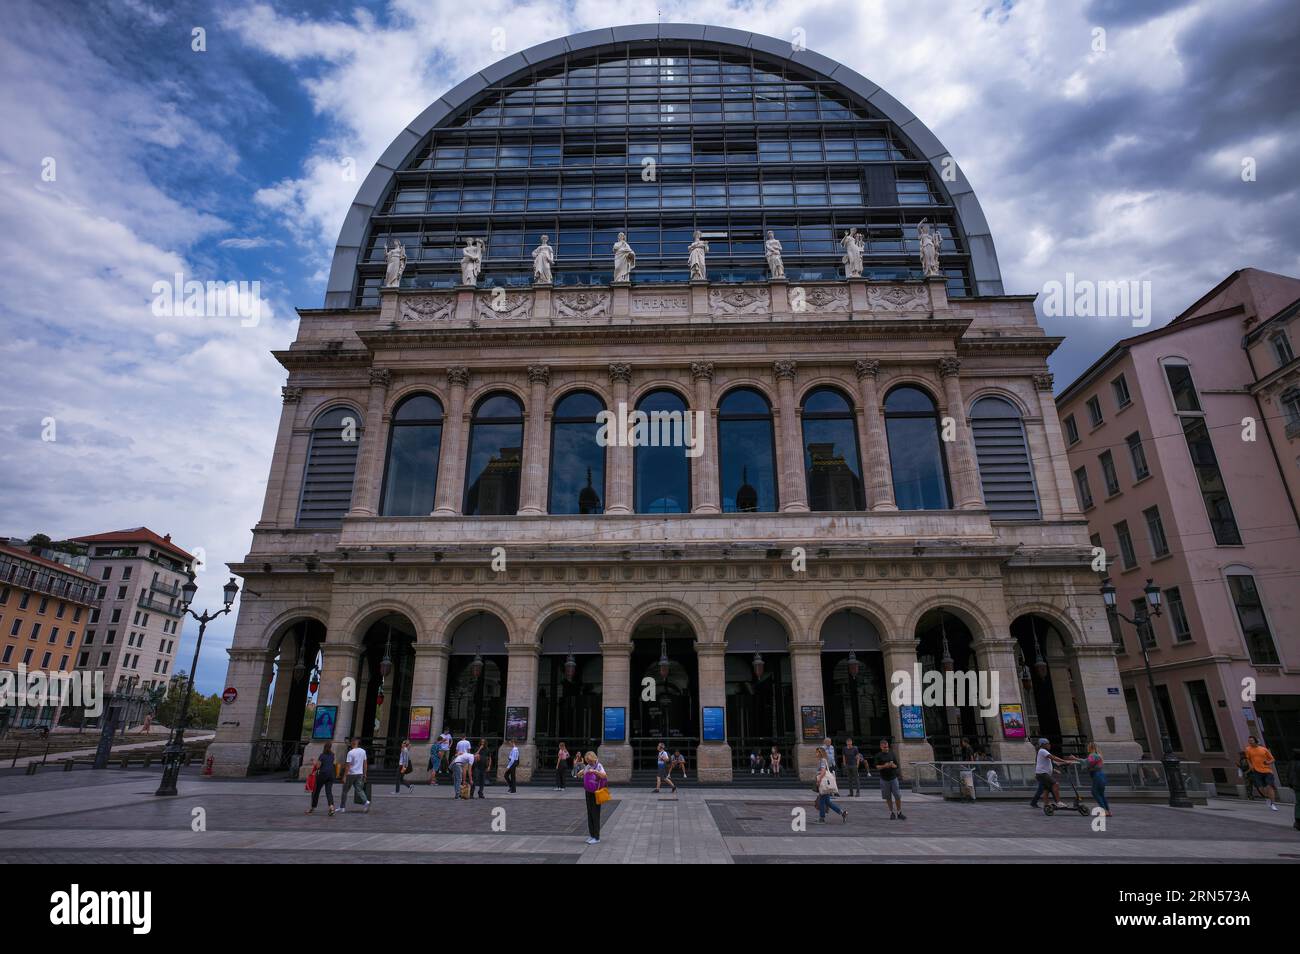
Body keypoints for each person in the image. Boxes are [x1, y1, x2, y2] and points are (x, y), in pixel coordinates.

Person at [1031, 738, 1076, 809]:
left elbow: (1055, 763)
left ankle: (1046, 805)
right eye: (1048, 744)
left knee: (1046, 789)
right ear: (1043, 744)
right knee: (1055, 784)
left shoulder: (1044, 752)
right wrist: (1065, 761)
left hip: (1042, 774)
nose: (1050, 745)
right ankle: (1058, 802)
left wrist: (1065, 763)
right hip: (1042, 774)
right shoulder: (1043, 751)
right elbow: (1053, 758)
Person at [579, 751, 608, 845]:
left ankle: (597, 837)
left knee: (595, 814)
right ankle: (591, 835)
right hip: (588, 792)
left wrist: (595, 771)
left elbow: (604, 775)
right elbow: (584, 773)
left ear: (593, 759)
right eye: (588, 761)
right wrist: (581, 773)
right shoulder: (588, 766)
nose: (589, 763)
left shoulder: (599, 766)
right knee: (590, 813)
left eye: (590, 761)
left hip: (596, 792)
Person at [1244, 735, 1280, 811]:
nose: (1250, 742)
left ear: (1255, 741)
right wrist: (1250, 766)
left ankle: (1273, 804)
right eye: (1249, 741)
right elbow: (1248, 759)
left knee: (1269, 786)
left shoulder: (1264, 749)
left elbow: (1272, 759)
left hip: (1267, 771)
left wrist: (1267, 762)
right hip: (1256, 771)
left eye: (1251, 740)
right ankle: (1267, 798)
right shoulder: (1247, 749)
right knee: (1260, 788)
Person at [815, 747, 847, 823]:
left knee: (822, 801)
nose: (816, 754)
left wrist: (819, 780)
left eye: (817, 752)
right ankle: (842, 813)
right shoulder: (823, 760)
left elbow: (823, 771)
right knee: (828, 802)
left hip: (824, 784)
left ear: (820, 753)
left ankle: (822, 818)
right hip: (826, 784)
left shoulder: (822, 760)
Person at [874, 738, 904, 820]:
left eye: (887, 747)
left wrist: (893, 766)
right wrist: (885, 766)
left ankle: (899, 812)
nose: (886, 748)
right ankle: (892, 813)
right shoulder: (878, 756)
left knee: (897, 796)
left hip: (893, 778)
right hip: (884, 779)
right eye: (884, 747)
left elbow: (896, 765)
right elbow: (877, 767)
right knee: (888, 797)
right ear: (881, 747)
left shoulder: (892, 754)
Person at [305, 741, 337, 816]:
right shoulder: (332, 755)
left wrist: (313, 761)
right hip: (331, 775)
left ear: (324, 747)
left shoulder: (322, 755)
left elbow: (318, 766)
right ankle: (331, 807)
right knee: (328, 791)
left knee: (316, 791)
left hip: (322, 775)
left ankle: (312, 808)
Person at [339, 737, 370, 814]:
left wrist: (344, 776)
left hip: (351, 774)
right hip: (359, 773)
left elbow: (348, 766)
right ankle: (366, 801)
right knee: (359, 789)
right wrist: (365, 774)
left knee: (345, 791)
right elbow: (365, 763)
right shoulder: (363, 751)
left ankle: (342, 807)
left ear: (352, 743)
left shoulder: (350, 753)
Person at [1083, 740, 1110, 816]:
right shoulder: (1099, 755)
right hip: (1101, 775)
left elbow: (1089, 763)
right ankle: (1107, 810)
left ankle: (1104, 810)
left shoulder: (1092, 755)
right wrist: (1075, 759)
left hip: (1097, 775)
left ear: (1090, 748)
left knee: (1095, 792)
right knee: (1101, 794)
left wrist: (1087, 768)